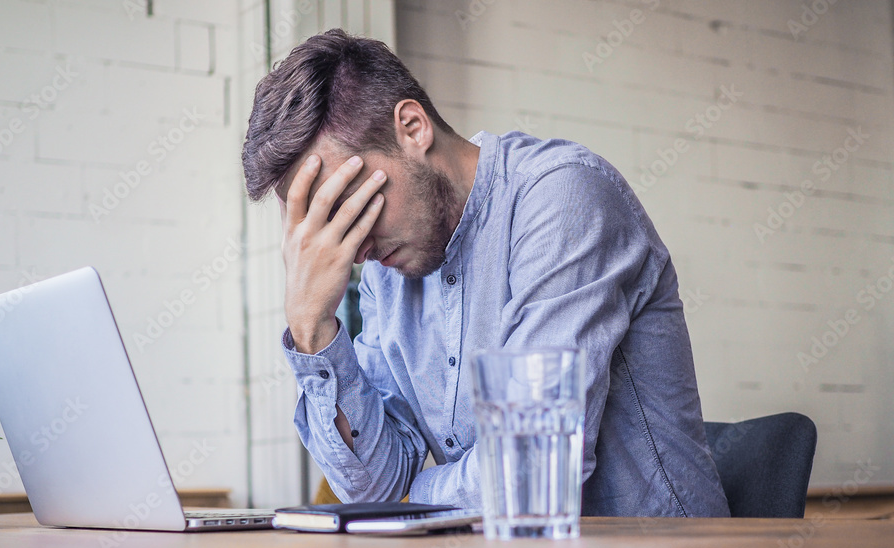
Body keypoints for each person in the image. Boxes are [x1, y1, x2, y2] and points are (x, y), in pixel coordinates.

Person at [242, 29, 729, 516]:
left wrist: (415, 498)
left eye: (351, 206)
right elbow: (376, 488)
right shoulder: (386, 275)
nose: (354, 248)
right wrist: (312, 329)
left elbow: (533, 469)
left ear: (413, 128)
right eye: (330, 222)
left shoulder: (562, 199)